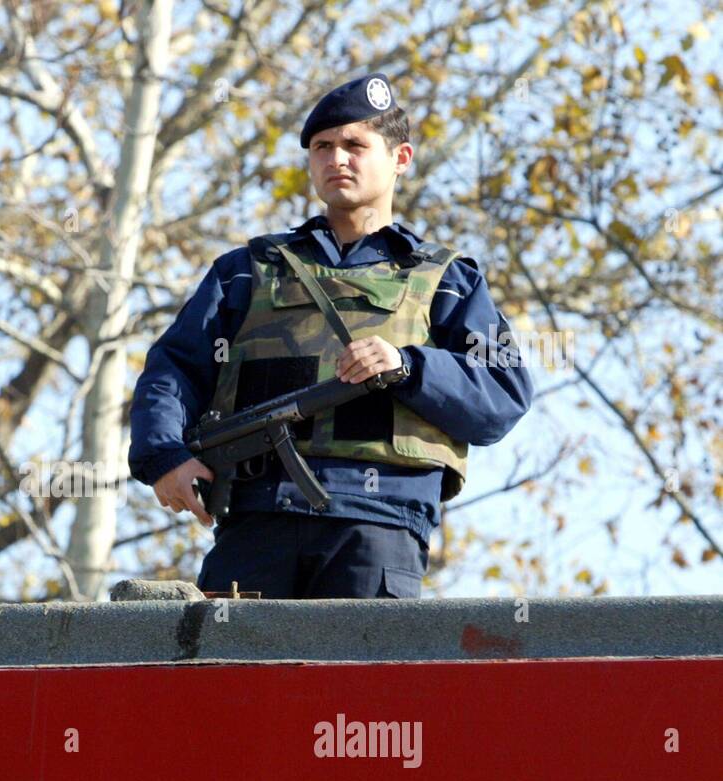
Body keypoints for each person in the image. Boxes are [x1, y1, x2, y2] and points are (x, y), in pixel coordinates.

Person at [128, 72, 533, 599]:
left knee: (356, 681)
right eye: (322, 147)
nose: (336, 159)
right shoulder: (248, 270)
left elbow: (502, 392)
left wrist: (409, 366)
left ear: (400, 158)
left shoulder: (446, 278)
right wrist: (164, 455)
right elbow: (173, 368)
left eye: (354, 145)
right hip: (256, 519)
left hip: (377, 524)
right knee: (227, 679)